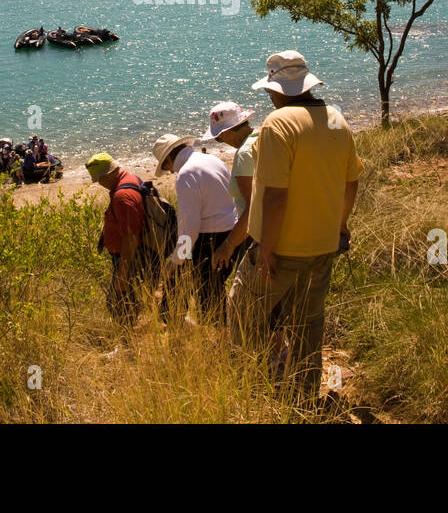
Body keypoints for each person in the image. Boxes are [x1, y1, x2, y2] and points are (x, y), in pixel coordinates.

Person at [227, 50, 361, 401]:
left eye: (270, 89)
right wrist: (342, 224)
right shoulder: (335, 118)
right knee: (308, 324)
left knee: (243, 313)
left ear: (278, 88)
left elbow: (274, 196)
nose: (269, 95)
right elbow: (351, 181)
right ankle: (301, 396)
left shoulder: (279, 123)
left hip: (281, 249)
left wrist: (267, 249)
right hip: (323, 244)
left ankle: (251, 389)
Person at [152, 132, 238, 322]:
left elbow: (190, 228)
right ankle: (214, 335)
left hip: (208, 239)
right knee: (212, 291)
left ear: (168, 158)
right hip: (231, 232)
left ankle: (177, 328)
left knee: (205, 296)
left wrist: (175, 261)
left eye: (166, 167)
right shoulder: (212, 160)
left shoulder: (186, 174)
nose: (170, 171)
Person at [87, 151, 148, 326]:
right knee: (129, 299)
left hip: (129, 258)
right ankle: (134, 333)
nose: (99, 183)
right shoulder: (130, 179)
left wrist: (123, 271)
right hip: (132, 257)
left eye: (99, 179)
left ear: (108, 174)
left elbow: (131, 237)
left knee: (117, 302)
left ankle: (127, 343)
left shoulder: (123, 196)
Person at [201, 101, 257, 275]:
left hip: (254, 238)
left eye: (218, 137)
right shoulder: (263, 138)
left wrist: (228, 245)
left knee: (245, 301)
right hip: (280, 234)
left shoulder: (244, 154)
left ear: (227, 132)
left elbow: (253, 207)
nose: (221, 142)